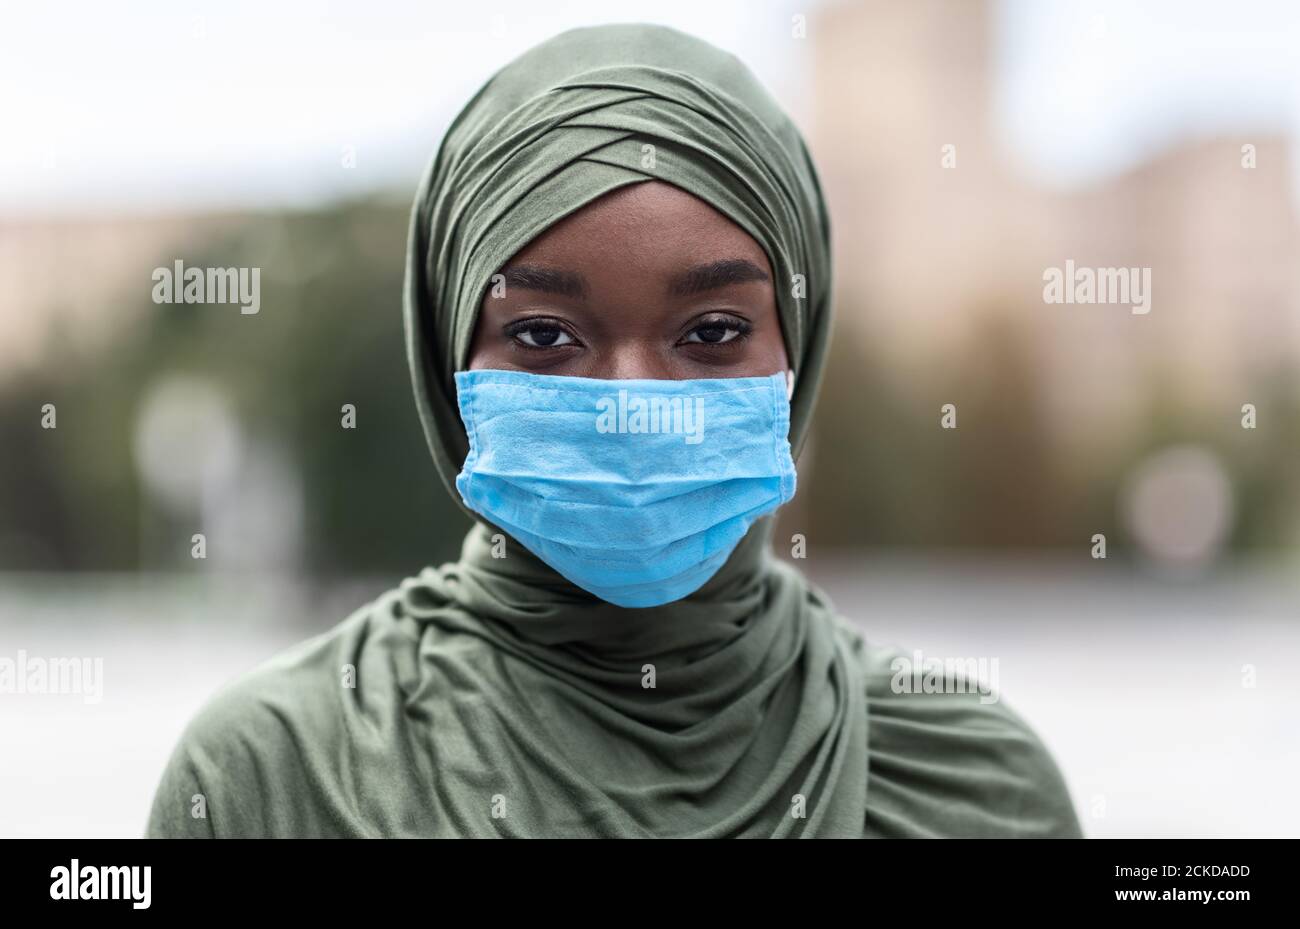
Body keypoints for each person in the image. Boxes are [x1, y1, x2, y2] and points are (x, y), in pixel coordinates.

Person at [146, 23, 1081, 838]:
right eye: (545, 335)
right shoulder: (275, 775)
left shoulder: (972, 788)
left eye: (712, 332)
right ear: (446, 358)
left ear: (799, 352)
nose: (632, 398)